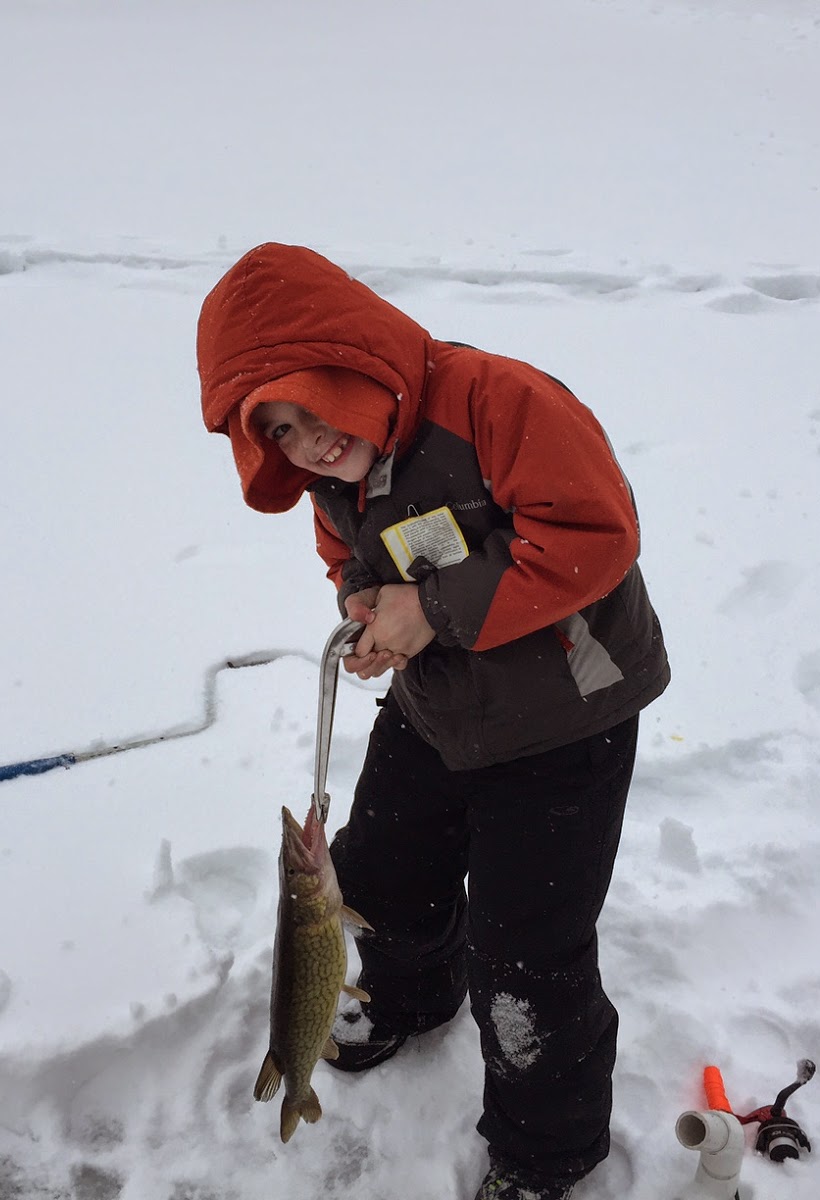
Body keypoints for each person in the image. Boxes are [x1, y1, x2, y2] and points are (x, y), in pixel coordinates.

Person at [198, 243, 670, 1200]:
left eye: (307, 406)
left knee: (526, 962)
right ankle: (409, 998)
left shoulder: (499, 402)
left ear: (351, 359)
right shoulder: (339, 473)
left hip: (564, 722)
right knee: (377, 874)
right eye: (278, 431)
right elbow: (346, 552)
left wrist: (434, 610)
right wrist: (366, 608)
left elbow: (596, 534)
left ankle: (544, 1157)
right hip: (439, 705)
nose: (306, 444)